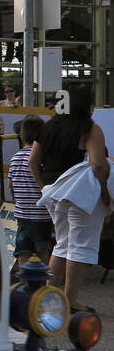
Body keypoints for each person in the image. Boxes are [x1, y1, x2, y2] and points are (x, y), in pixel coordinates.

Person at [32, 87, 109, 307]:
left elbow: (32, 161)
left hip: (53, 193)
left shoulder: (47, 127)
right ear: (86, 107)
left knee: (62, 243)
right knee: (81, 246)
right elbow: (98, 164)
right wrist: (105, 191)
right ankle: (70, 300)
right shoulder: (90, 128)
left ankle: (50, 296)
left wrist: (43, 187)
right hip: (80, 193)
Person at [7, 116, 51, 271]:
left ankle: (25, 281)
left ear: (22, 135)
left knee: (23, 249)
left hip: (22, 214)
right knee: (42, 250)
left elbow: (10, 184)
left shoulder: (15, 158)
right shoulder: (41, 158)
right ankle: (42, 283)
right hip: (41, 214)